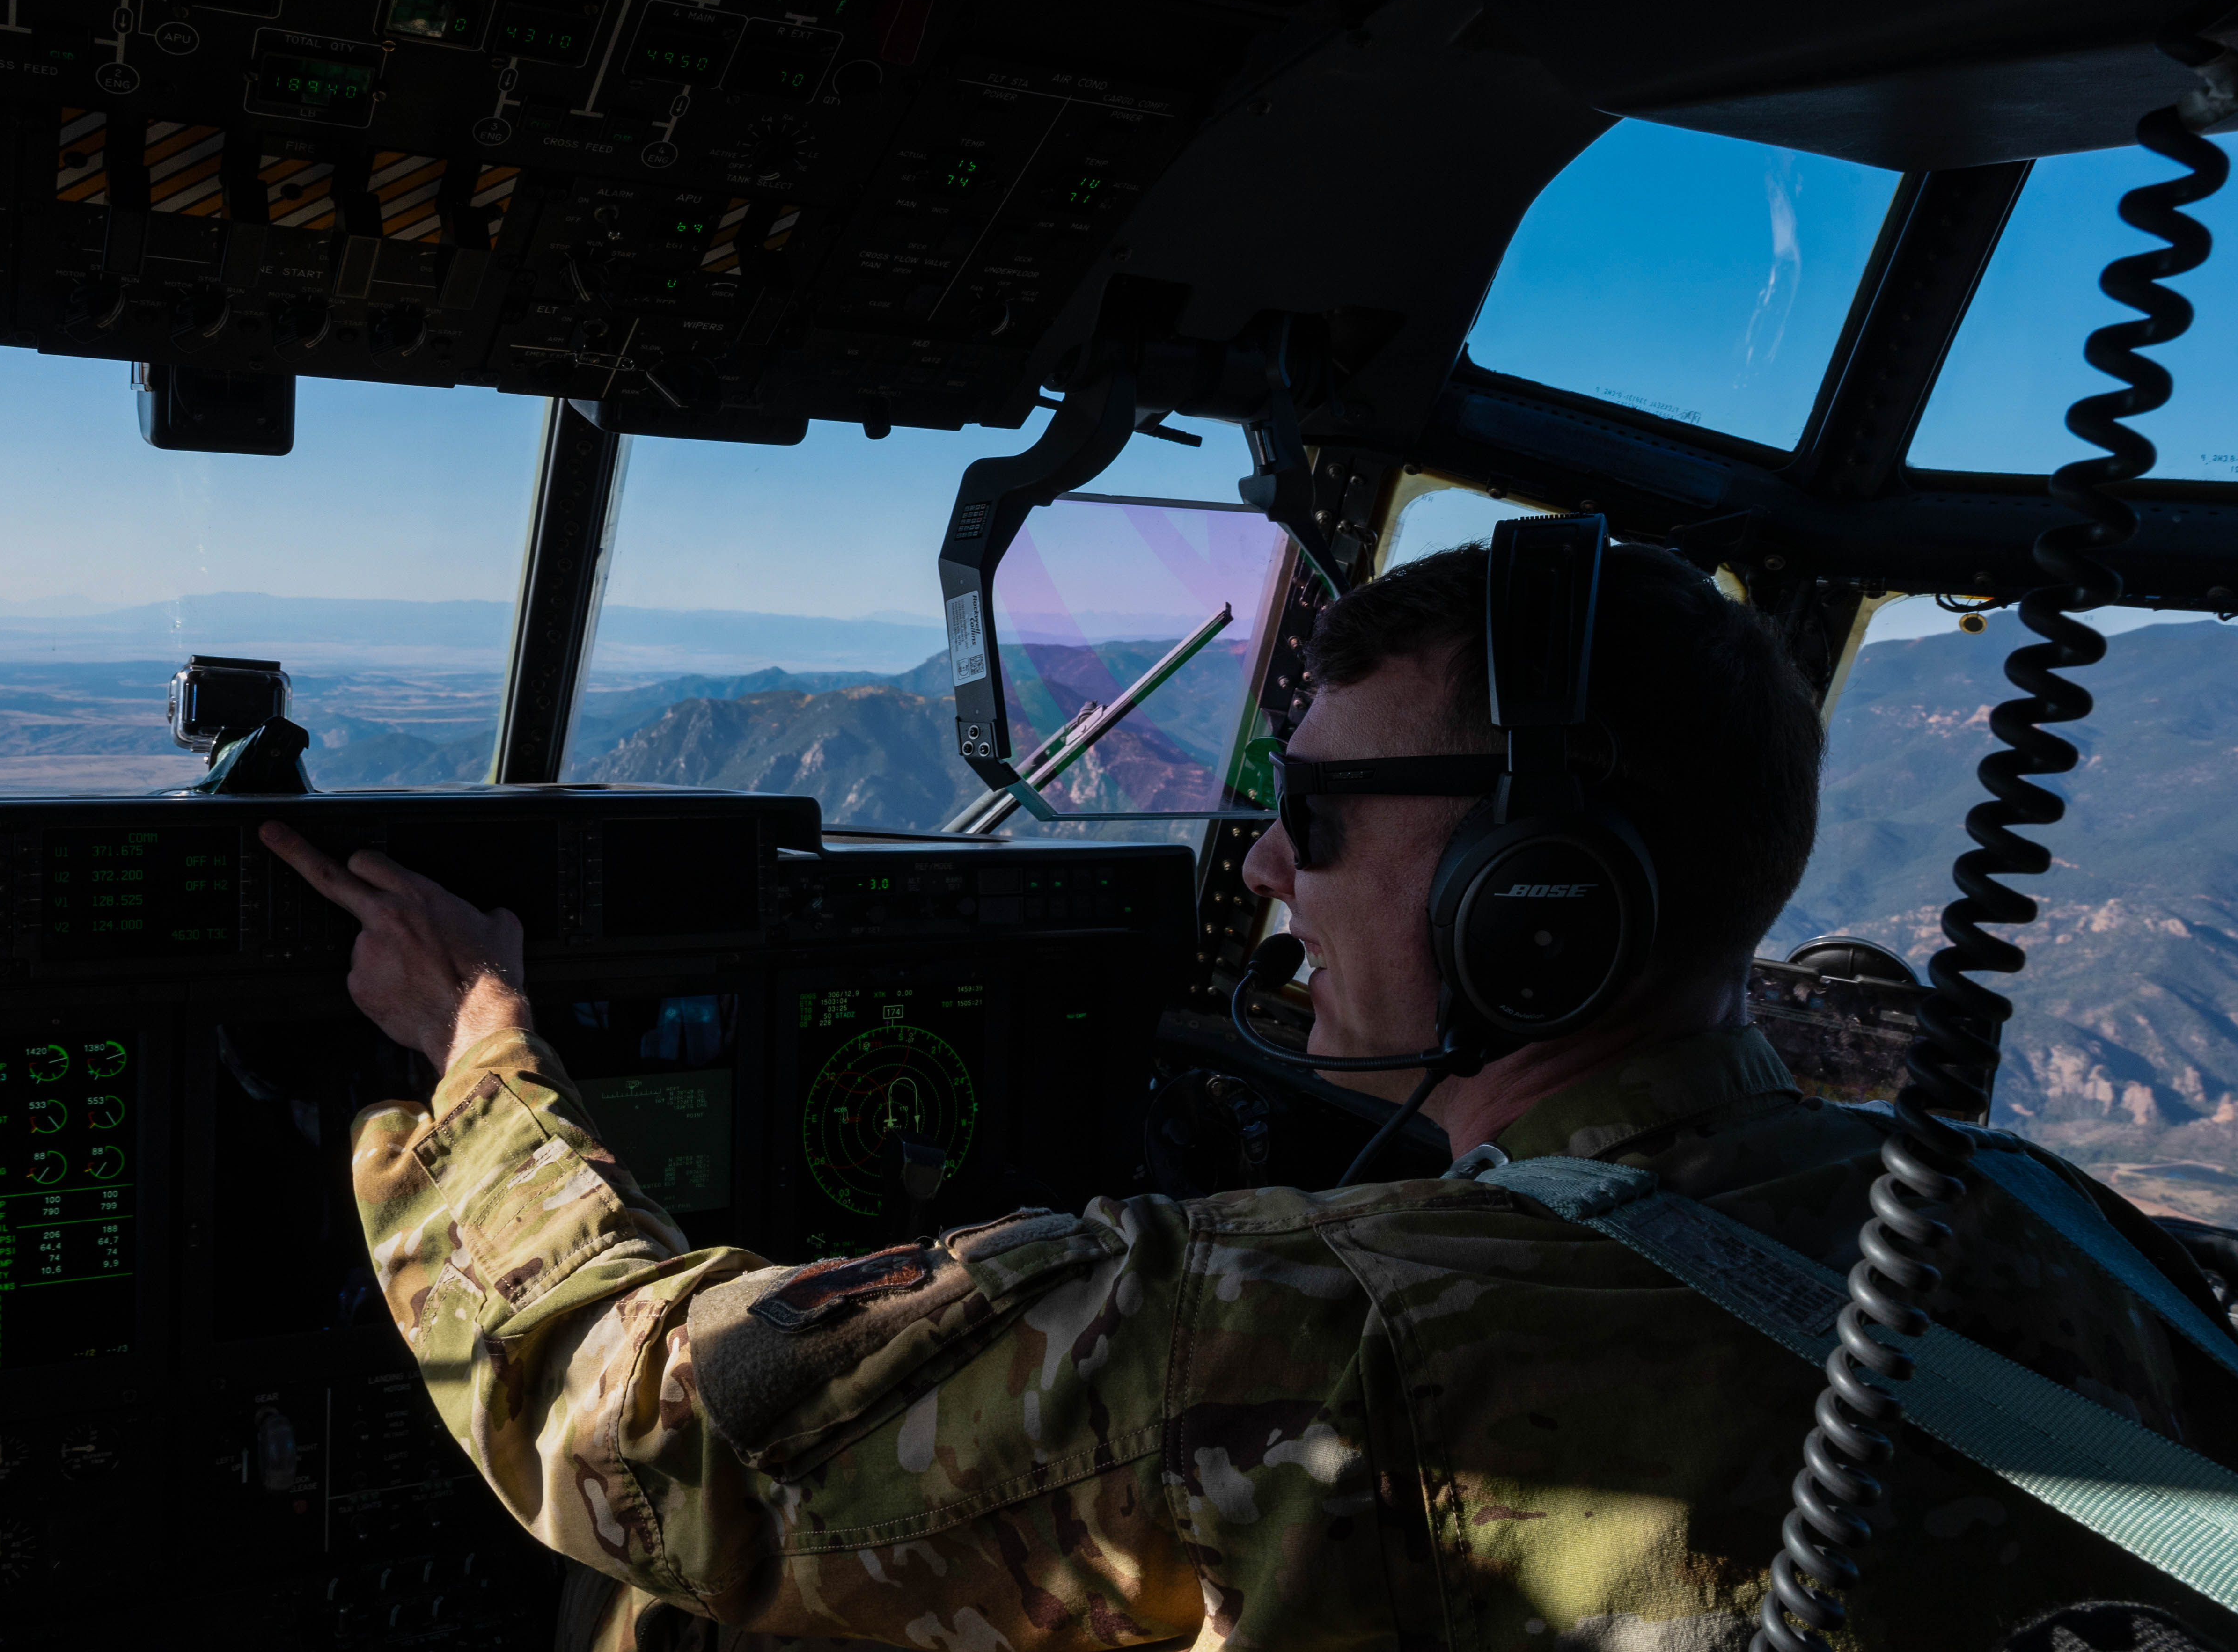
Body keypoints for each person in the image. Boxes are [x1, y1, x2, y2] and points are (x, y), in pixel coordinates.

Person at [258, 542, 2238, 1651]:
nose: (1268, 873)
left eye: (1310, 815)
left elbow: (650, 1448)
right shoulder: (2069, 1236)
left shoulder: (1297, 1323)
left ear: (1530, 905)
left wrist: (476, 1057)